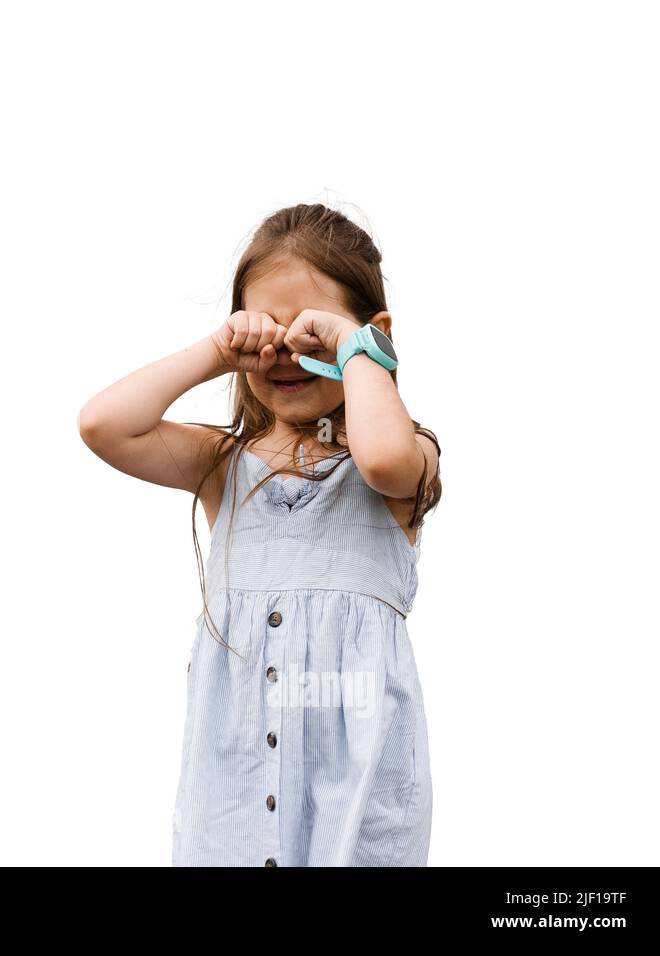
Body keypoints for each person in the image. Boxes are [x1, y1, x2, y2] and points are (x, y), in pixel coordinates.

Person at [77, 203, 442, 866]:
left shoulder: (399, 457)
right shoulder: (224, 466)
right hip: (234, 804)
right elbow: (104, 425)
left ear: (373, 334)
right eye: (269, 331)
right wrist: (215, 351)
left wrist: (355, 348)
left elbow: (384, 458)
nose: (287, 352)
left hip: (352, 805)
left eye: (315, 334)